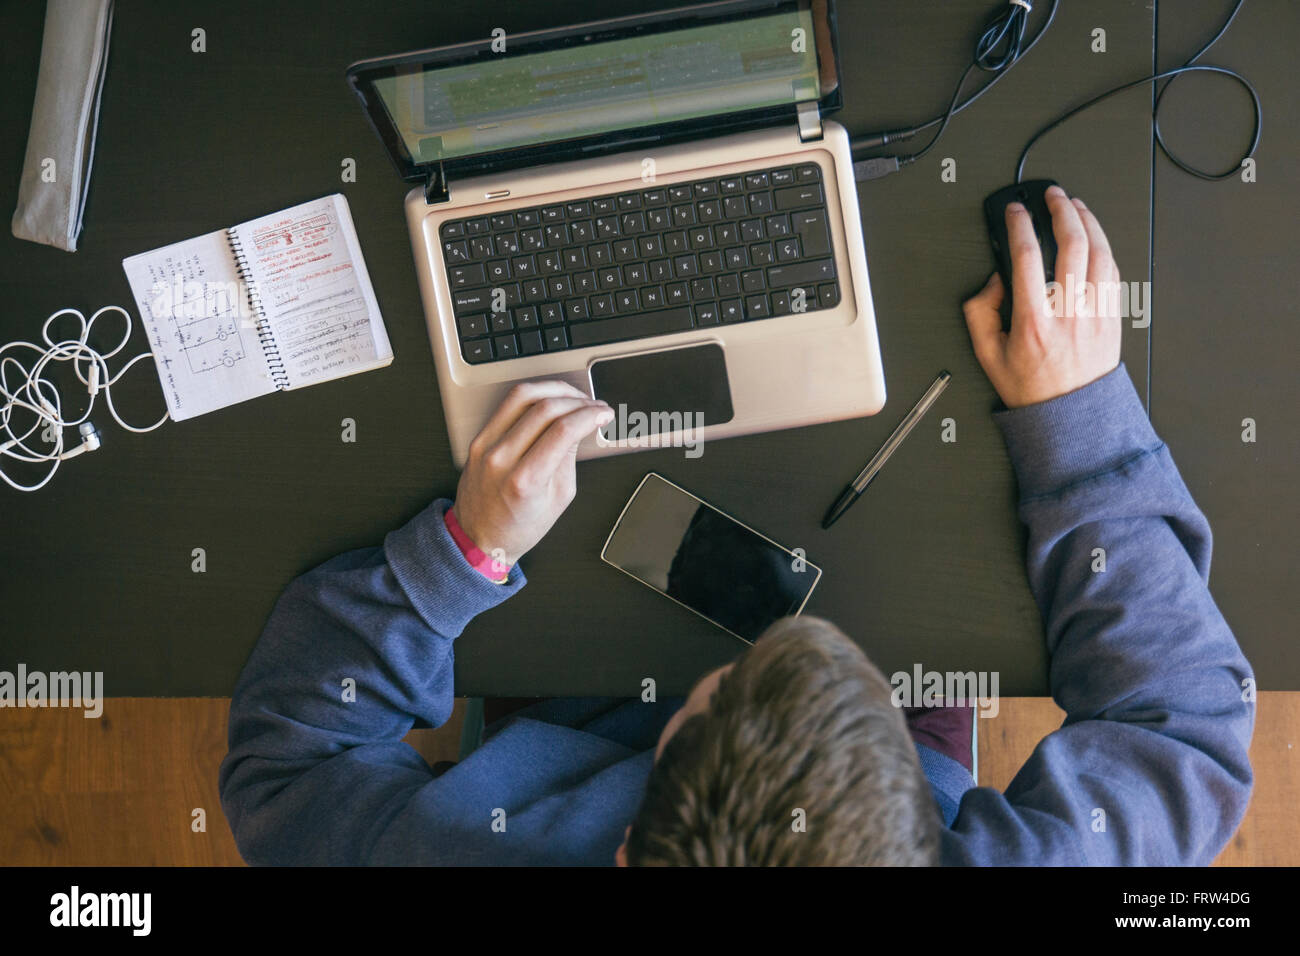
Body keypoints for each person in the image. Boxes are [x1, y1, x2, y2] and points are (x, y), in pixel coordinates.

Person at [219, 188, 1254, 865]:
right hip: (889, 723)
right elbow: (1190, 727)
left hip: (569, 722)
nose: (758, 645)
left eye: (726, 683)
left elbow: (288, 766)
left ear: (626, 850)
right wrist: (1076, 424)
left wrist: (461, 558)